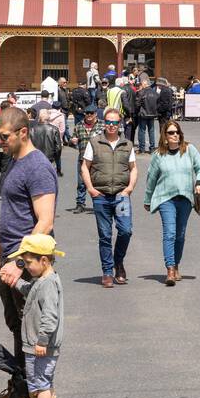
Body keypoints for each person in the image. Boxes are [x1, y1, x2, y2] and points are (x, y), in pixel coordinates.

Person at [0, 106, 57, 398]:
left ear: (23, 132)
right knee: (17, 329)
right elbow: (10, 220)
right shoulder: (13, 163)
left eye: (4, 136)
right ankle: (19, 392)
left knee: (34, 335)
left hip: (28, 268)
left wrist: (20, 265)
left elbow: (45, 222)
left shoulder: (38, 167)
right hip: (9, 262)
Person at [2, 233, 64, 398]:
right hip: (35, 344)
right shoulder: (41, 281)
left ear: (44, 260)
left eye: (29, 262)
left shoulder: (48, 284)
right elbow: (29, 290)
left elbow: (50, 316)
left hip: (40, 345)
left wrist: (42, 341)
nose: (26, 266)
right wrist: (15, 282)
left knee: (41, 383)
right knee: (41, 382)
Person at [143, 120, 200, 286]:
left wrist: (199, 182)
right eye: (171, 132)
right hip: (166, 199)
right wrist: (147, 199)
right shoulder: (158, 155)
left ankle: (176, 264)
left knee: (180, 235)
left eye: (177, 132)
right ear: (165, 135)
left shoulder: (189, 149)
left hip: (185, 198)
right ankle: (170, 269)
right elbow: (151, 178)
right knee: (169, 233)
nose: (175, 135)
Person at [81, 106, 137, 288]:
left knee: (126, 230)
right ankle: (107, 271)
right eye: (108, 122)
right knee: (105, 235)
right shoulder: (94, 142)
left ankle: (118, 262)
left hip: (121, 195)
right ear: (104, 124)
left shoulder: (127, 144)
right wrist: (91, 189)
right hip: (101, 196)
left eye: (115, 122)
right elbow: (85, 166)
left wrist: (129, 188)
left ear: (119, 124)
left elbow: (133, 168)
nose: (111, 126)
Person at [68, 106, 104, 213]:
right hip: (83, 158)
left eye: (91, 113)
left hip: (98, 158)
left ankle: (98, 204)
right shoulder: (79, 126)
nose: (88, 115)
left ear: (95, 114)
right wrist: (72, 141)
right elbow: (72, 141)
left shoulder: (102, 125)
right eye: (87, 113)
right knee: (81, 182)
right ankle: (80, 204)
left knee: (98, 182)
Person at [134, 75, 159, 152]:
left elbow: (137, 104)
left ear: (144, 84)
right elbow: (158, 103)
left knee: (142, 131)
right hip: (152, 114)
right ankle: (152, 148)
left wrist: (137, 111)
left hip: (143, 114)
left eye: (141, 84)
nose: (140, 86)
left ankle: (142, 148)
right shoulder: (155, 93)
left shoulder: (141, 92)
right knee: (151, 131)